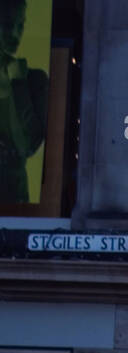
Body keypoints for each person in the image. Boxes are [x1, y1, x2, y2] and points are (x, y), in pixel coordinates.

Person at [0, 0, 48, 204]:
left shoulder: (33, 80)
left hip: (14, 202)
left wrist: (18, 84)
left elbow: (27, 145)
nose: (15, 34)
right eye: (8, 24)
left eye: (21, 25)